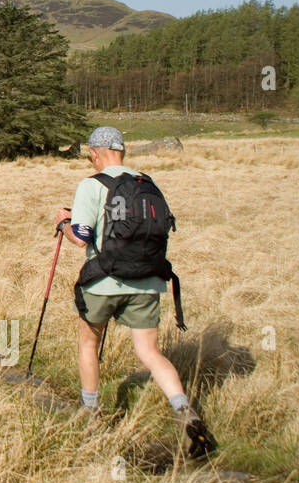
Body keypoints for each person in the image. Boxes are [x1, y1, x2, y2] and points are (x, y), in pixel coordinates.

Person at [53, 125, 216, 457]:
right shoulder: (147, 183)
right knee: (150, 352)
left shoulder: (91, 184)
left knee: (89, 342)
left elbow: (81, 238)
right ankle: (185, 411)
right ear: (122, 151)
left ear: (95, 152)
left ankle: (91, 412)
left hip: (104, 281)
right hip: (148, 279)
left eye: (90, 154)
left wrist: (62, 224)